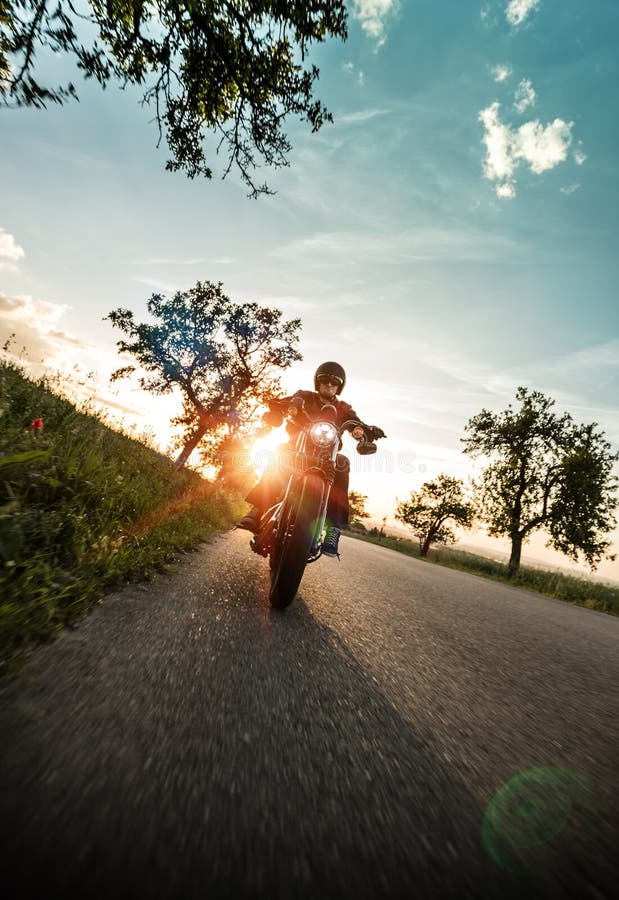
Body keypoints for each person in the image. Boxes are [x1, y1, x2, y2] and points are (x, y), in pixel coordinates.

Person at [238, 361, 383, 558]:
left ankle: (334, 529)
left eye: (334, 382)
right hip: (297, 449)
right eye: (325, 380)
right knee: (279, 453)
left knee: (343, 463)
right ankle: (258, 509)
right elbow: (289, 401)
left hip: (326, 458)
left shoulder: (342, 407)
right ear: (318, 382)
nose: (329, 385)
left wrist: (360, 430)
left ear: (339, 386)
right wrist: (282, 406)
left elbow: (353, 420)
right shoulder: (304, 396)